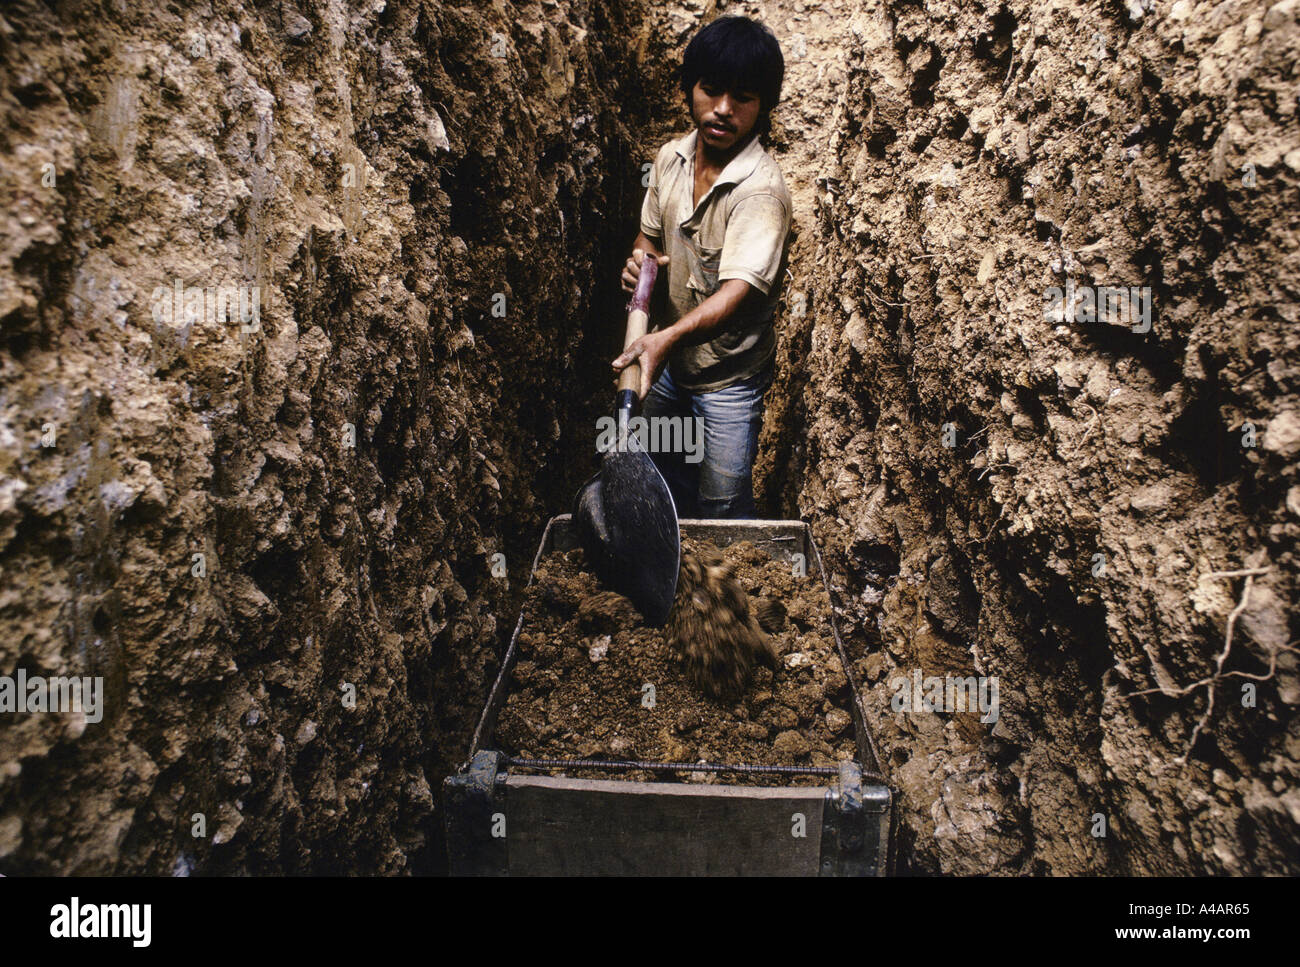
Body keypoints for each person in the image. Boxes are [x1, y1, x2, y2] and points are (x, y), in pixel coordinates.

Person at [613, 15, 791, 520]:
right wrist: (639, 268)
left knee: (723, 506)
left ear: (764, 107)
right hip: (668, 362)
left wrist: (663, 339)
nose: (723, 110)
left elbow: (738, 295)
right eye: (710, 90)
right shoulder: (670, 159)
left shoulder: (761, 191)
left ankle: (718, 589)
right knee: (653, 469)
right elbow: (648, 239)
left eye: (744, 98)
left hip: (728, 378)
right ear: (689, 88)